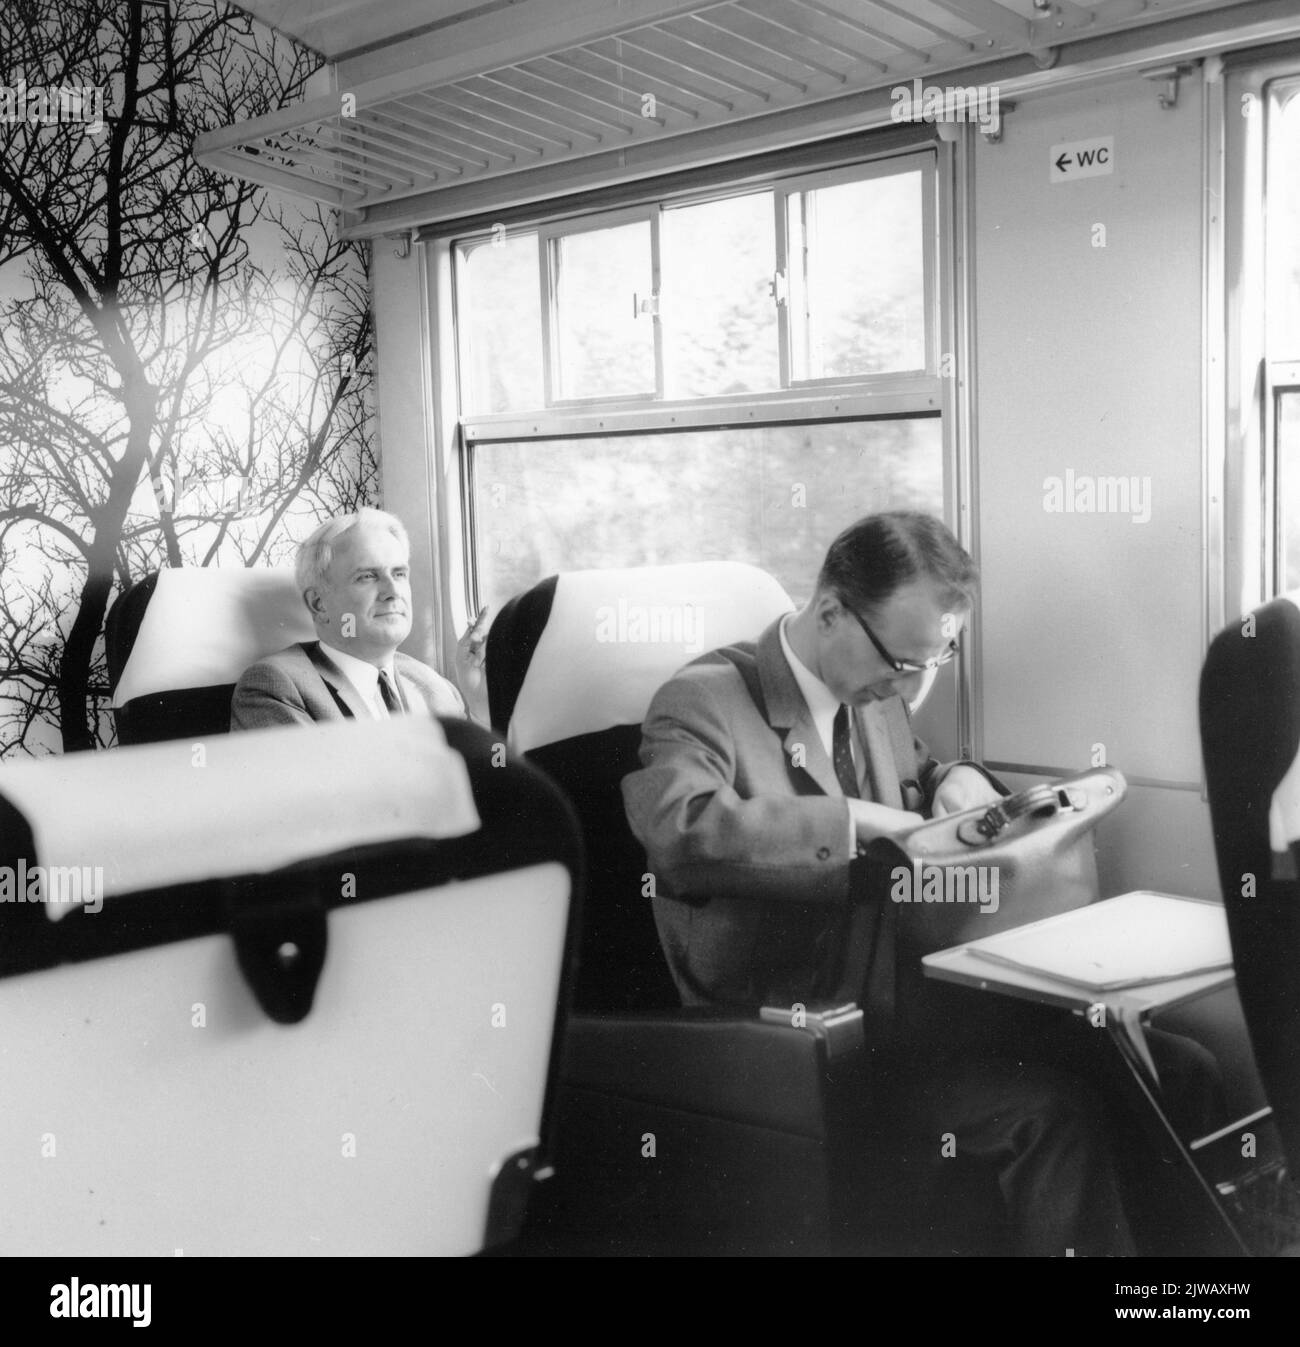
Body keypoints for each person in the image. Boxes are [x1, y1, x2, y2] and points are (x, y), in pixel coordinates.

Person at [622, 511, 1150, 1256]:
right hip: (803, 1041)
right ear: (832, 610)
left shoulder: (872, 692)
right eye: (905, 662)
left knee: (1157, 1060)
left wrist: (956, 777)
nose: (915, 684)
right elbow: (682, 832)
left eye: (936, 660)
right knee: (1052, 1111)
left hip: (907, 1002)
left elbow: (917, 776)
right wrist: (855, 821)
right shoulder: (703, 699)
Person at [231, 508, 489, 730]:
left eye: (399, 574)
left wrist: (479, 706)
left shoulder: (431, 683)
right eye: (367, 576)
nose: (393, 592)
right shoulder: (276, 687)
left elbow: (485, 781)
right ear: (319, 604)